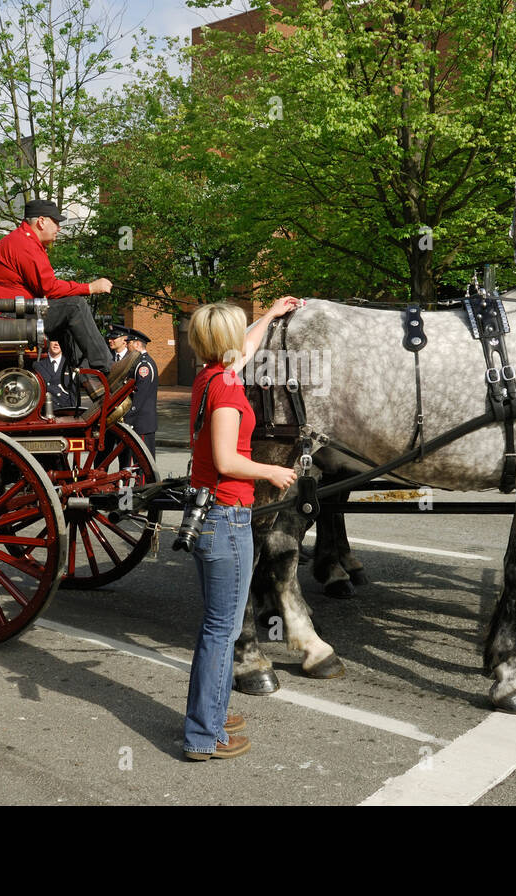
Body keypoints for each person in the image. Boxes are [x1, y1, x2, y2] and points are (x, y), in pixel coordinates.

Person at [182, 298, 300, 761]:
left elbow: (246, 349)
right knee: (222, 630)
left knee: (218, 626)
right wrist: (270, 474)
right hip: (225, 518)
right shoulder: (228, 390)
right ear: (225, 341)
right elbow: (228, 461)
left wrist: (269, 315)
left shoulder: (212, 375)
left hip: (210, 514)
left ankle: (210, 711)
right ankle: (203, 735)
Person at [0, 199, 118, 388]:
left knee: (67, 316)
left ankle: (90, 380)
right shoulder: (24, 244)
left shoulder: (24, 241)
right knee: (75, 306)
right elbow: (49, 288)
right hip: (3, 317)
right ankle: (107, 368)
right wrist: (90, 288)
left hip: (10, 313)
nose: (59, 228)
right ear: (42, 221)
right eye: (56, 222)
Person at [123, 327, 158, 457]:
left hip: (142, 421)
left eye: (129, 343)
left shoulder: (144, 365)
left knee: (143, 464)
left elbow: (140, 395)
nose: (127, 347)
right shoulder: (139, 362)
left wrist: (128, 417)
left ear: (137, 344)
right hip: (141, 420)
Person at [33, 339, 79, 412]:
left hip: (65, 412)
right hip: (45, 413)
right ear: (48, 342)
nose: (56, 344)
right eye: (54, 341)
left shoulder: (71, 365)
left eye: (59, 341)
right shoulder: (38, 366)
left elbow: (73, 395)